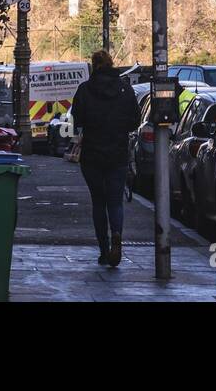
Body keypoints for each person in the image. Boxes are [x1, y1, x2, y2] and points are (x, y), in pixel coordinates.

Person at [71, 50, 139, 268]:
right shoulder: (125, 89)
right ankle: (117, 233)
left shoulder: (85, 89)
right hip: (117, 153)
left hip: (92, 154)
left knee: (98, 202)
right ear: (111, 64)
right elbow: (135, 121)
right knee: (115, 201)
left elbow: (77, 119)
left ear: (94, 65)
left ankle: (103, 249)